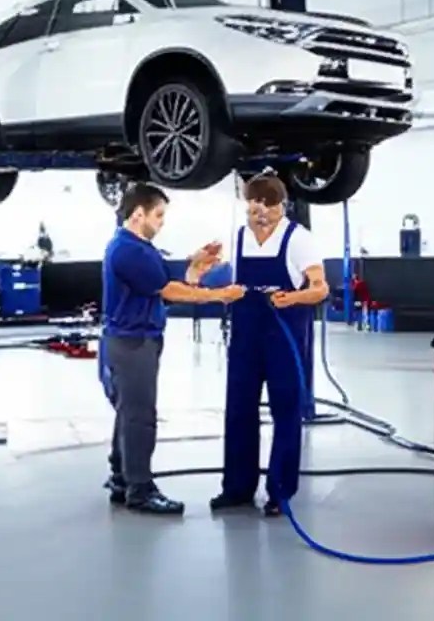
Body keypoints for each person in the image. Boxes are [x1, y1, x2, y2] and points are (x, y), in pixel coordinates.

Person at [101, 183, 246, 515]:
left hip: (134, 338)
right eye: (158, 215)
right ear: (138, 214)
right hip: (133, 342)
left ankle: (121, 477)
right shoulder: (129, 251)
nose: (162, 222)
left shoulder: (137, 247)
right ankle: (140, 489)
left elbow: (165, 275)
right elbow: (169, 290)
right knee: (140, 417)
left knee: (129, 411)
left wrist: (196, 264)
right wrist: (220, 295)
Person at [201, 174, 329, 516]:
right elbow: (228, 277)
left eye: (267, 208)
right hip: (246, 335)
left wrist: (293, 298)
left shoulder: (298, 239)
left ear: (280, 206)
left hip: (284, 335)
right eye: (254, 208)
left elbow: (320, 288)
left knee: (286, 409)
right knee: (239, 408)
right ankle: (237, 487)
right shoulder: (240, 237)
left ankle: (280, 491)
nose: (260, 216)